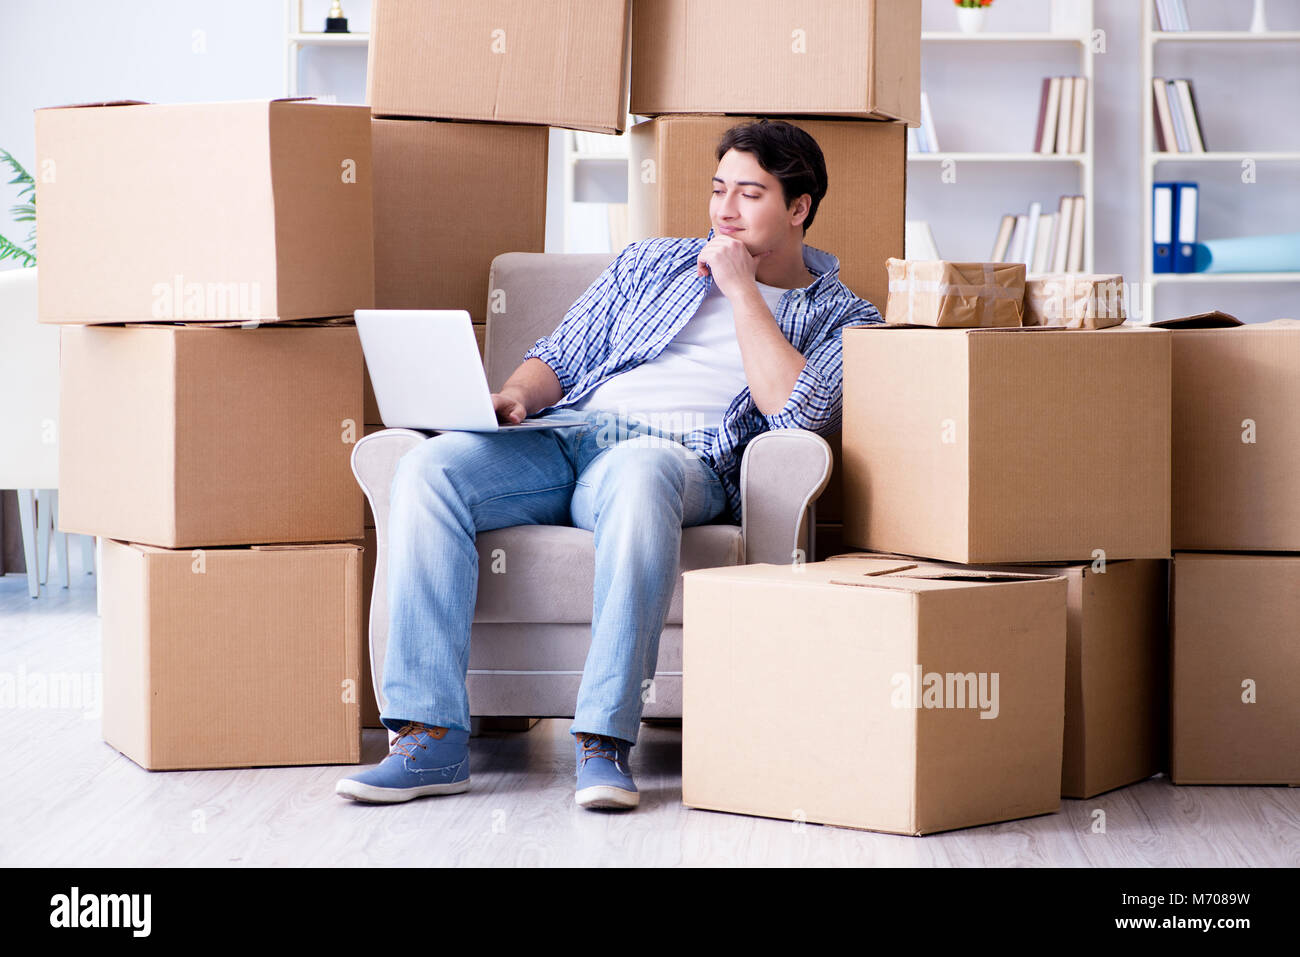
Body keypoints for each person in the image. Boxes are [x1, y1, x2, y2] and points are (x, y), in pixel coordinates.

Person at [336, 118, 882, 810]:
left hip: (680, 456)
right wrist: (513, 396)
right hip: (569, 433)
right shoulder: (649, 262)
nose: (724, 210)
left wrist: (740, 288)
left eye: (750, 194)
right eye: (719, 190)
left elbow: (796, 413)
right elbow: (559, 355)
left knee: (638, 470)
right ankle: (430, 739)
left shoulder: (845, 314)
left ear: (798, 208)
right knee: (429, 468)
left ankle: (602, 740)